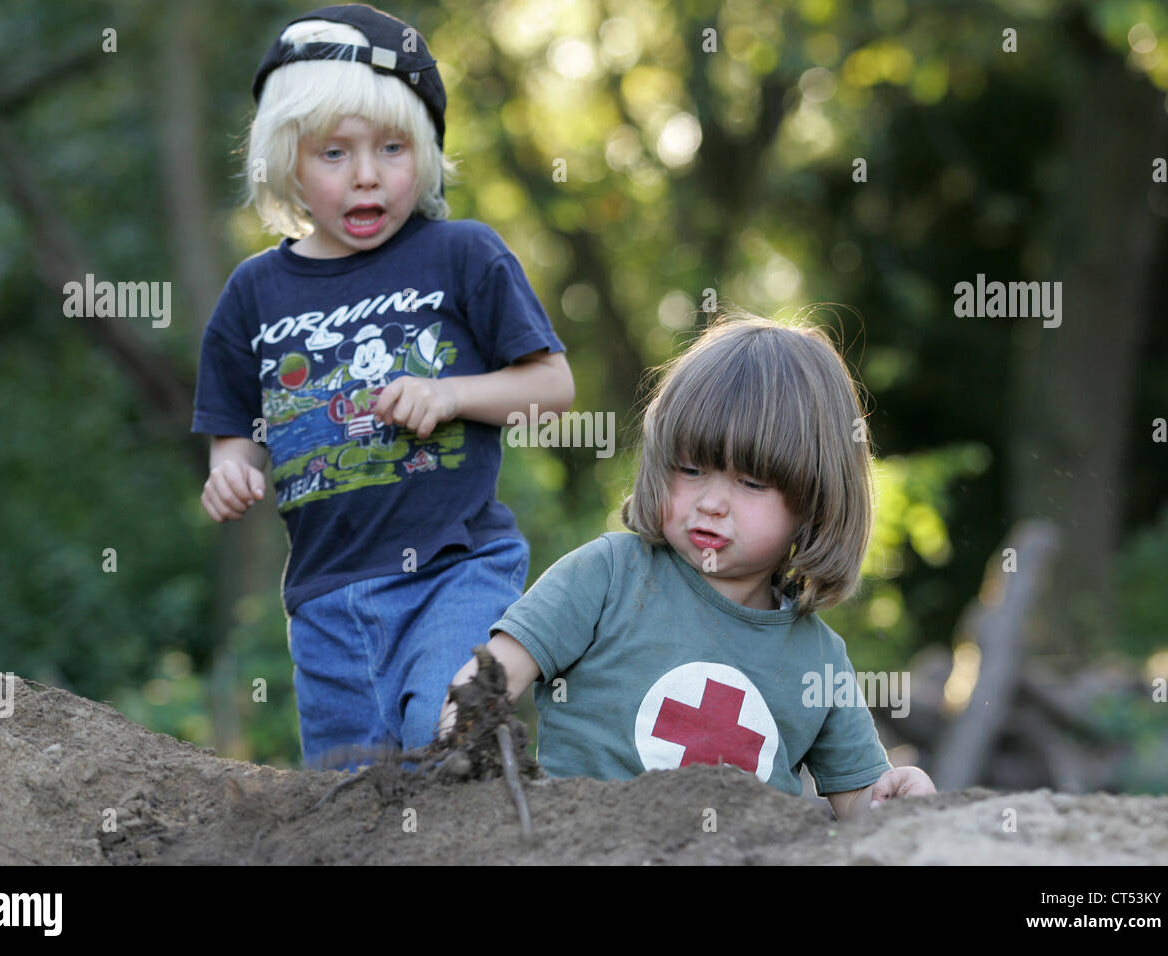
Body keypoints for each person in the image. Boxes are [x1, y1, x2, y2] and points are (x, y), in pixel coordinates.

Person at [192, 4, 573, 769]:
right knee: (350, 792)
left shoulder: (462, 254)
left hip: (454, 566)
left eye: (392, 148)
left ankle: (484, 780)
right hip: (326, 597)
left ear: (425, 153)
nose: (367, 174)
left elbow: (553, 385)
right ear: (286, 160)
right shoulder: (254, 292)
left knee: (445, 738)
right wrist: (231, 467)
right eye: (334, 152)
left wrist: (452, 394)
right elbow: (236, 419)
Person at [440, 312, 935, 820]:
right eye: (692, 469)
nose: (712, 503)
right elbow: (491, 681)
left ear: (814, 503)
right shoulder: (607, 576)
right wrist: (456, 755)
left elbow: (858, 803)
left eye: (751, 483)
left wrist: (891, 796)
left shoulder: (820, 660)